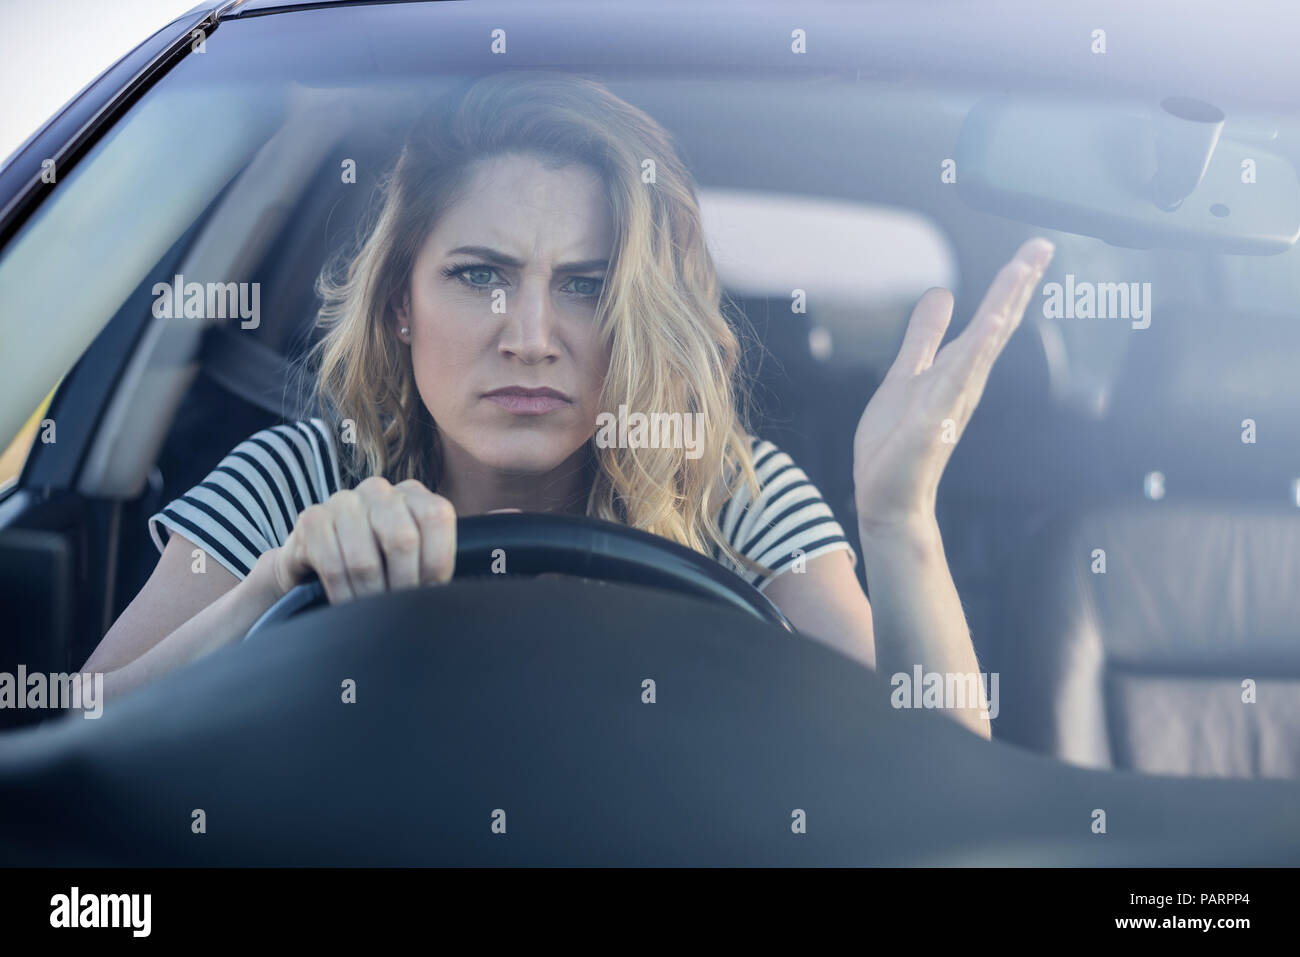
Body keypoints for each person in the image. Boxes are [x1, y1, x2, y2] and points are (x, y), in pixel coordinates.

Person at [83, 72, 1053, 738]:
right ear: (399, 306)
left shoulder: (728, 486)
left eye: (586, 285)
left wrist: (898, 518)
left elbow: (941, 762)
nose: (532, 334)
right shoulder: (298, 477)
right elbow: (77, 734)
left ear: (637, 315)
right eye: (478, 274)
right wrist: (276, 585)